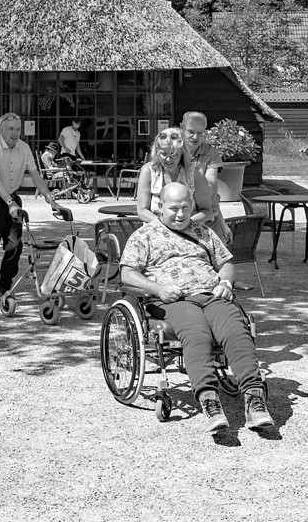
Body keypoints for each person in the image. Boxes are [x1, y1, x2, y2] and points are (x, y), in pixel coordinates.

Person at [121, 183, 274, 433]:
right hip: (174, 300)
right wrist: (157, 288)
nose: (180, 214)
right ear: (160, 207)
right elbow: (127, 274)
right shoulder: (144, 236)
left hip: (211, 295)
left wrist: (225, 281)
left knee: (236, 330)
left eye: (185, 207)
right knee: (196, 333)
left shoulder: (203, 232)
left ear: (192, 206)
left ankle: (254, 398)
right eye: (174, 208)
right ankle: (209, 401)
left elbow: (225, 263)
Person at [0, 112, 64, 310]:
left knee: (15, 246)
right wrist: (10, 203)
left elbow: (36, 176)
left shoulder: (24, 148)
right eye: (11, 129)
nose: (15, 133)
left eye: (18, 129)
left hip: (13, 200)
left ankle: (4, 287)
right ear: (1, 129)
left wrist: (51, 200)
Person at [136, 127, 214, 227]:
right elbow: (142, 211)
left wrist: (184, 224)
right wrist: (167, 226)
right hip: (156, 229)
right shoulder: (148, 171)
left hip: (188, 229)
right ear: (157, 152)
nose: (168, 159)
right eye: (163, 154)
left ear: (182, 153)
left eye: (174, 155)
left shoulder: (195, 173)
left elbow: (207, 211)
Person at [182, 111, 232, 245]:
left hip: (208, 220)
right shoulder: (173, 153)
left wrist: (223, 225)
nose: (195, 137)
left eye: (200, 133)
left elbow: (211, 191)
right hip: (180, 218)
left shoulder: (211, 153)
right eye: (190, 132)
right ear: (182, 128)